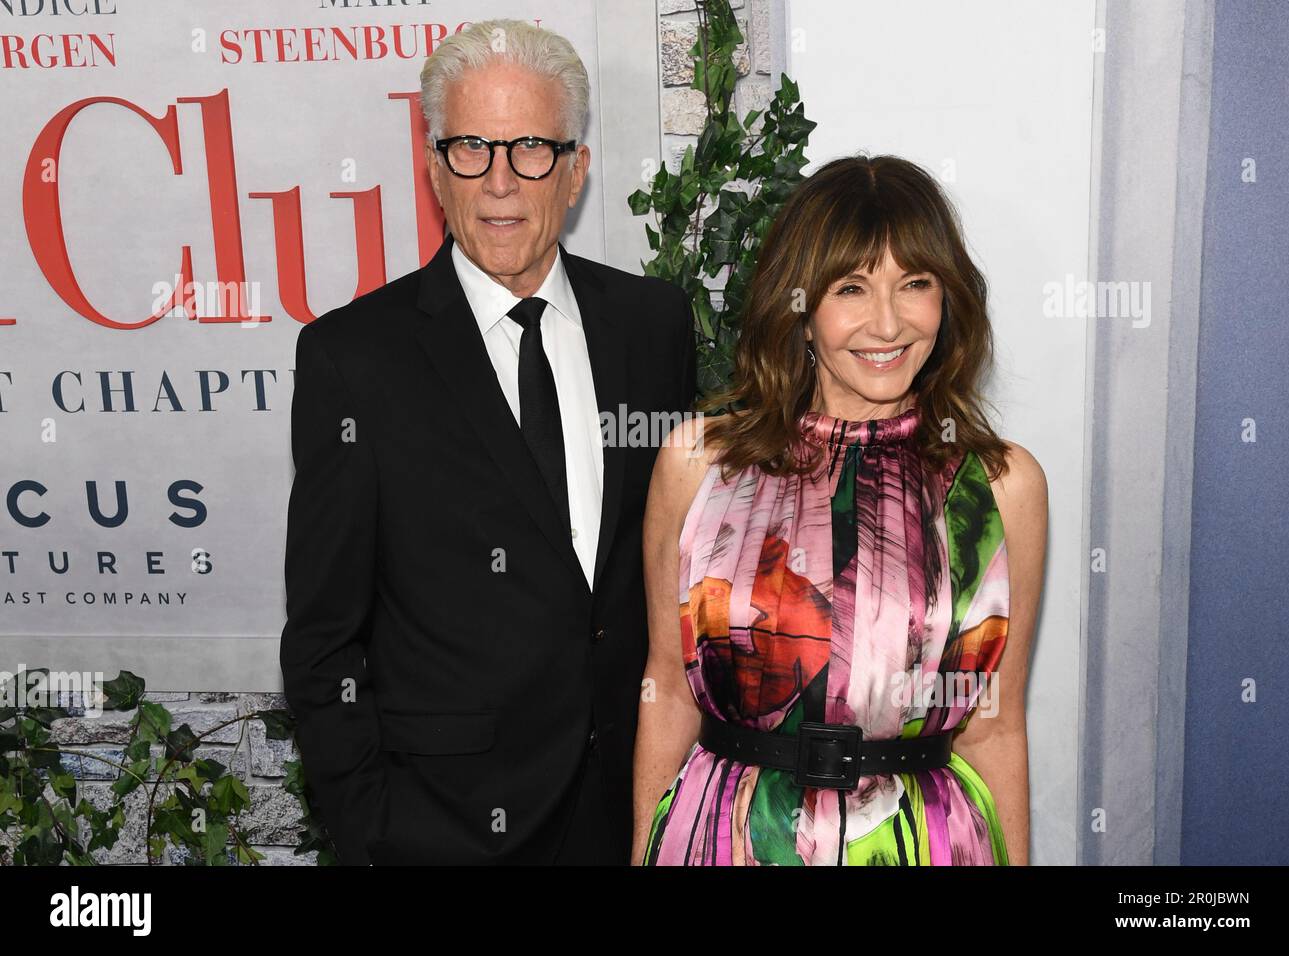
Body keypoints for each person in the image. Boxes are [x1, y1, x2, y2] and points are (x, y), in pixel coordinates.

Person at [280, 19, 696, 865]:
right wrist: (374, 833)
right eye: (470, 148)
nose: (500, 182)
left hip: (634, 810)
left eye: (532, 150)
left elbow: (671, 575)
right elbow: (323, 638)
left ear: (577, 169)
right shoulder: (354, 360)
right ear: (434, 167)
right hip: (444, 827)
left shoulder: (653, 326)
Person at [632, 154, 1048, 866]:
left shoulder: (998, 485)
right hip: (728, 841)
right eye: (851, 287)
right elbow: (668, 692)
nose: (887, 323)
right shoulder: (700, 462)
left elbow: (994, 727)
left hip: (919, 845)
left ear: (947, 300)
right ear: (799, 307)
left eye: (915, 284)